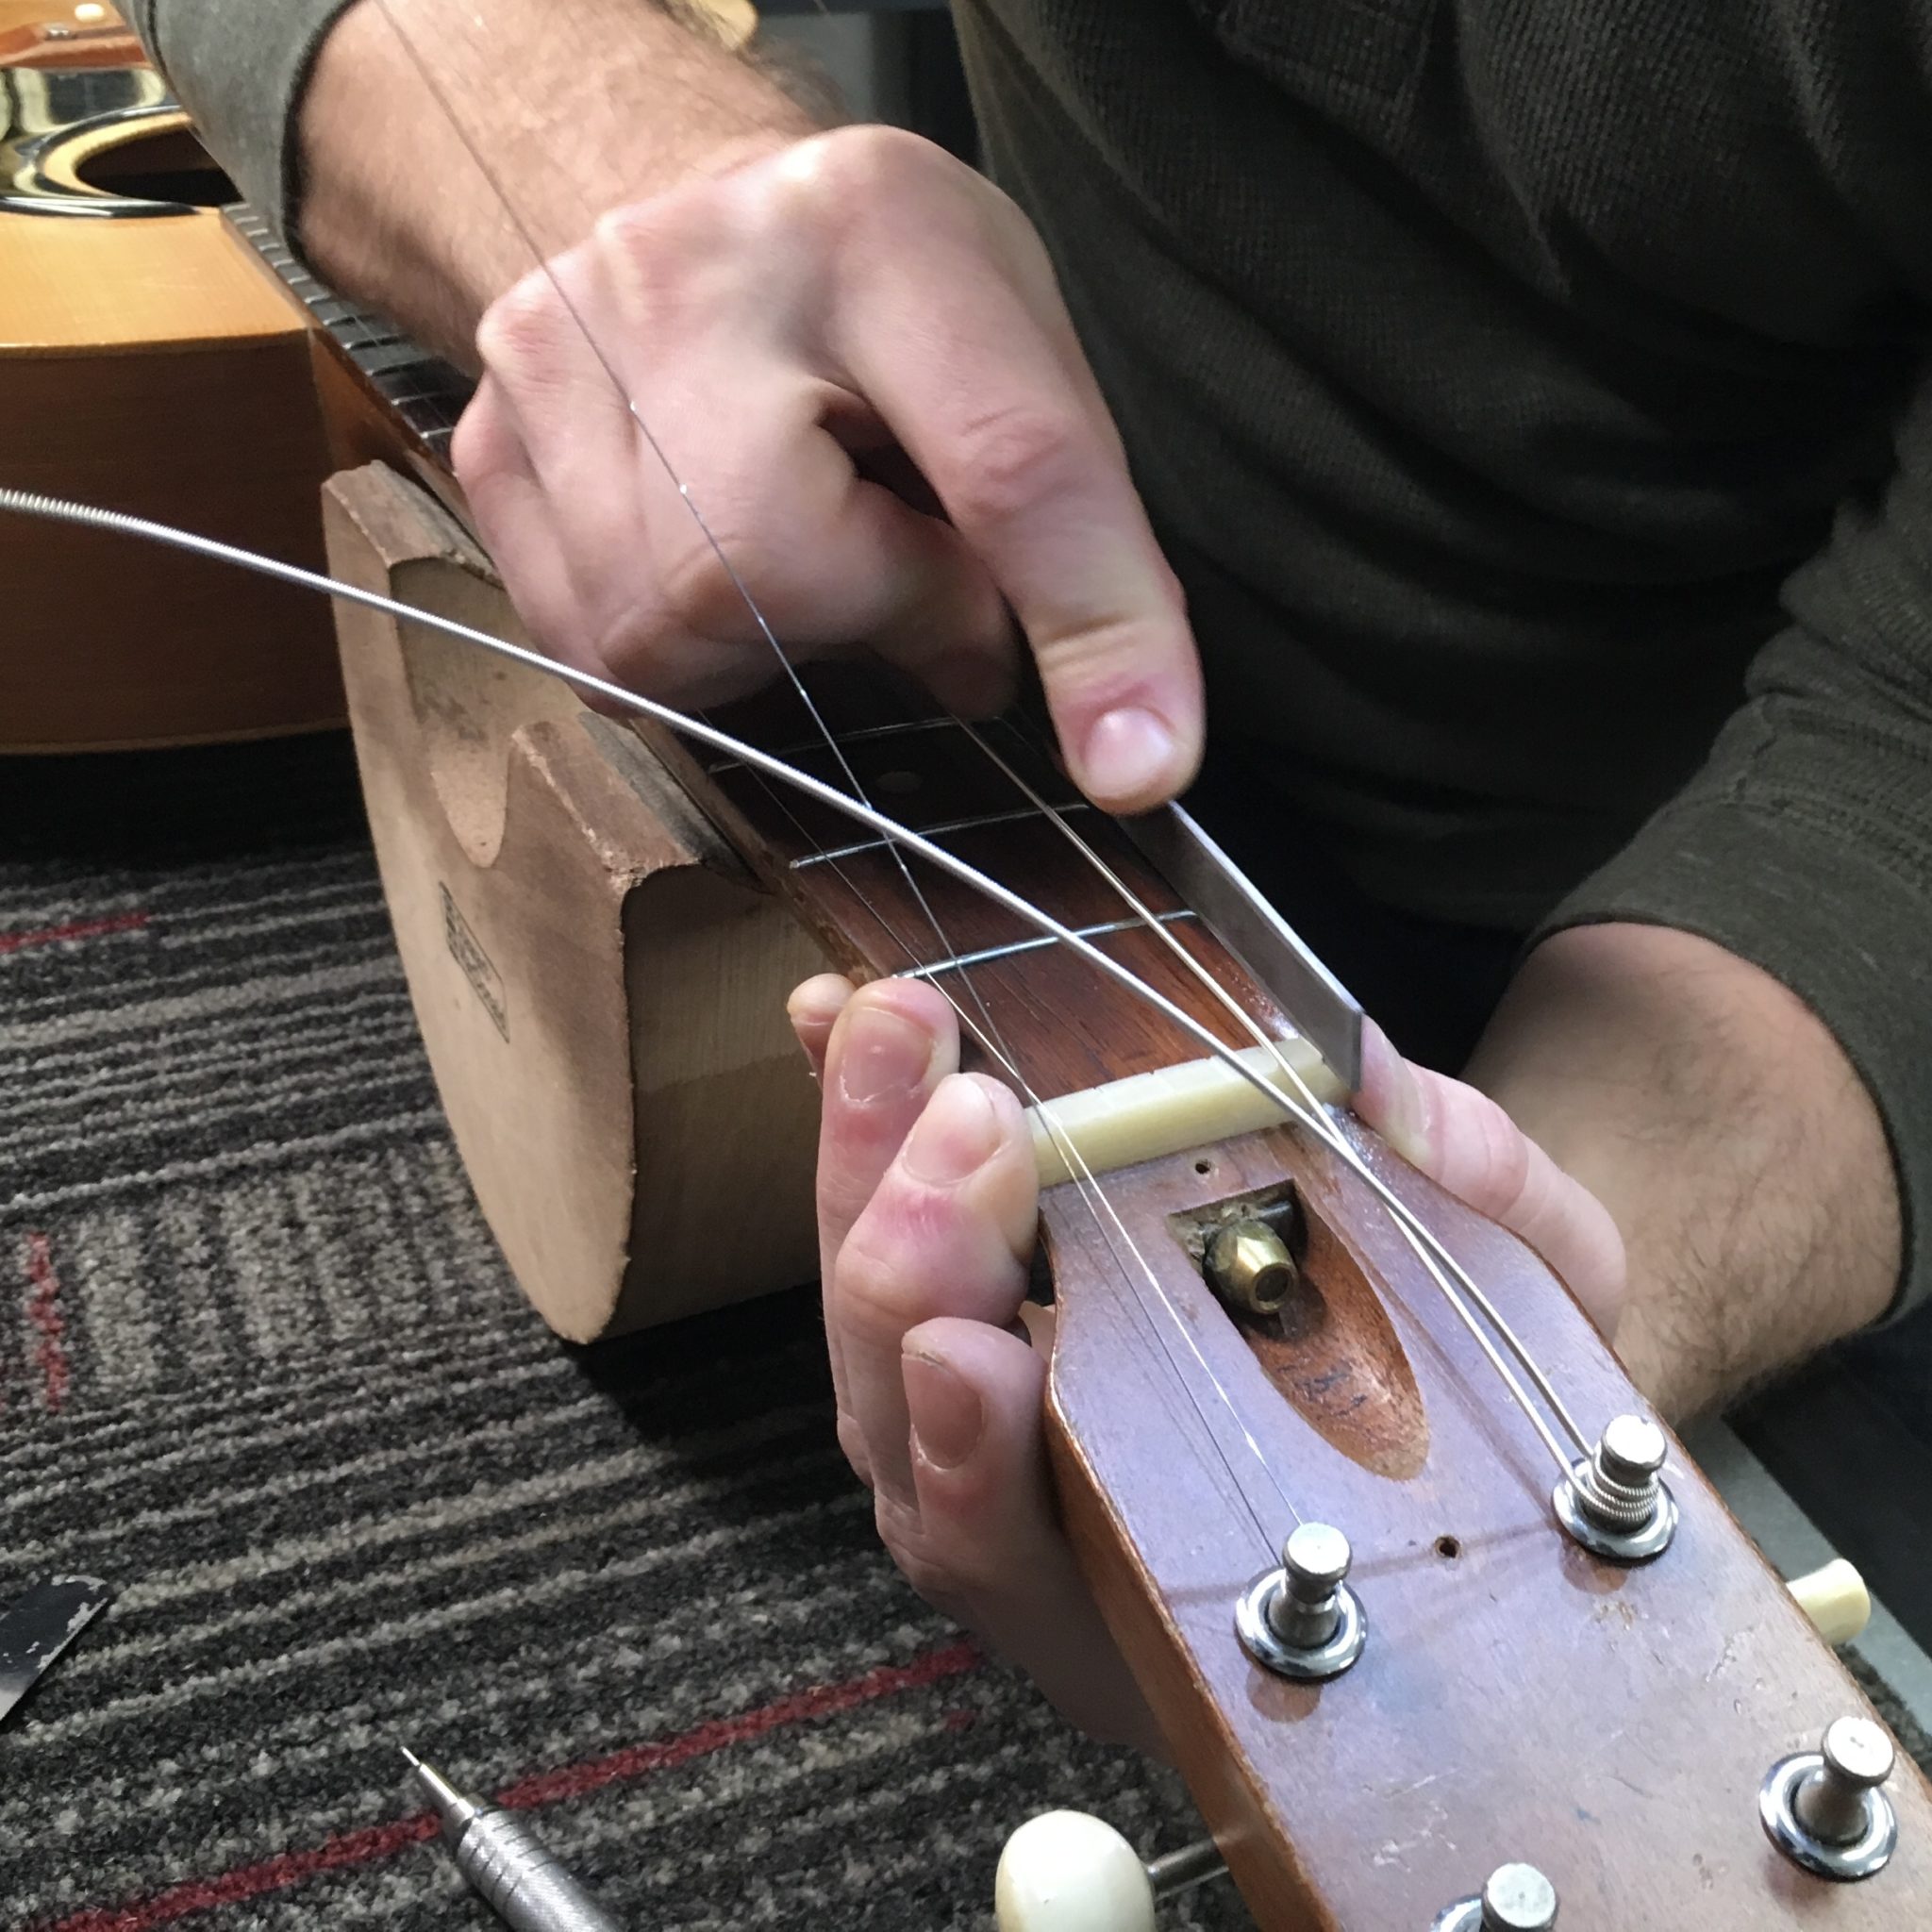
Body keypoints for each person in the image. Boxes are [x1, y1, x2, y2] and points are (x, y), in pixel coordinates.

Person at [135, 0, 1928, 1750]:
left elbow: (1900, 746)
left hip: (1675, 952)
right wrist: (652, 177)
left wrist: (1566, 1328)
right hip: (942, 663)